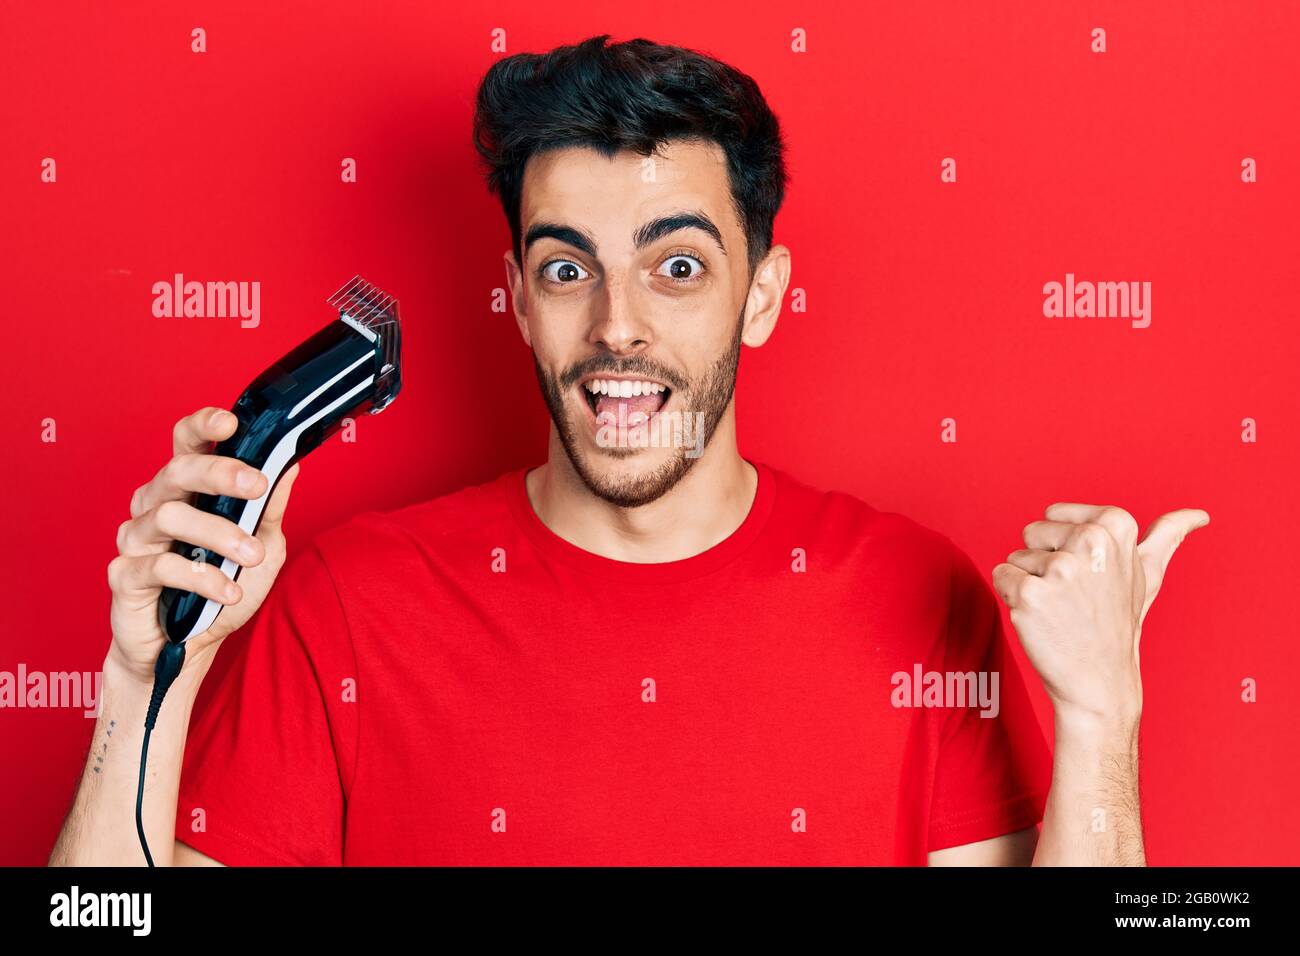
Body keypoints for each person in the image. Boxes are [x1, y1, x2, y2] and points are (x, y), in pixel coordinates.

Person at [50, 34, 1206, 867]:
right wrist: (142, 680)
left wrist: (1105, 717)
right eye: (566, 268)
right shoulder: (347, 605)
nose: (616, 324)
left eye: (679, 265)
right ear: (513, 295)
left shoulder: (913, 593)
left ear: (763, 295)